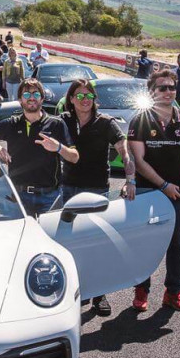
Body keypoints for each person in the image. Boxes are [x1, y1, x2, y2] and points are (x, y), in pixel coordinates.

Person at [128, 68, 180, 314]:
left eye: (171, 87)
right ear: (151, 92)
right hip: (147, 191)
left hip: (178, 193)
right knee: (145, 243)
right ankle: (142, 290)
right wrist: (163, 186)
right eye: (162, 88)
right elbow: (139, 160)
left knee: (176, 244)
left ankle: (173, 292)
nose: (168, 92)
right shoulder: (140, 120)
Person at [59, 79, 135, 316]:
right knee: (69, 243)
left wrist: (130, 178)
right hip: (66, 188)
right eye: (79, 96)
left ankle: (99, 294)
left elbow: (124, 149)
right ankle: (77, 289)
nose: (84, 100)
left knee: (96, 243)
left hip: (95, 190)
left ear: (94, 100)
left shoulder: (106, 123)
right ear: (70, 99)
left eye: (88, 96)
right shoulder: (63, 121)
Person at [0, 78, 78, 216]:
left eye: (36, 94)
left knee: (47, 236)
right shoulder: (12, 123)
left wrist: (58, 147)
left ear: (42, 98)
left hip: (49, 197)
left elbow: (74, 157)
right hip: (17, 196)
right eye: (26, 94)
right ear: (20, 99)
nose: (31, 98)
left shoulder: (56, 124)